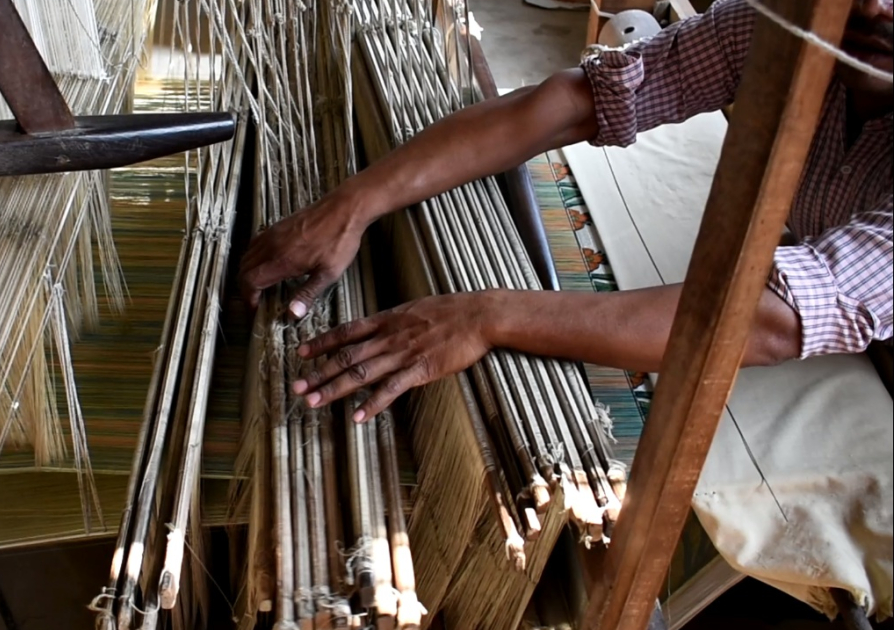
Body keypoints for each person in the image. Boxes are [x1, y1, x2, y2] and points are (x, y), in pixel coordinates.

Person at [237, 0, 893, 423]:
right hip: (816, 248)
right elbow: (576, 102)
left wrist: (488, 315)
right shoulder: (791, 29)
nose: (879, 9)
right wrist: (355, 203)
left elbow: (770, 322)